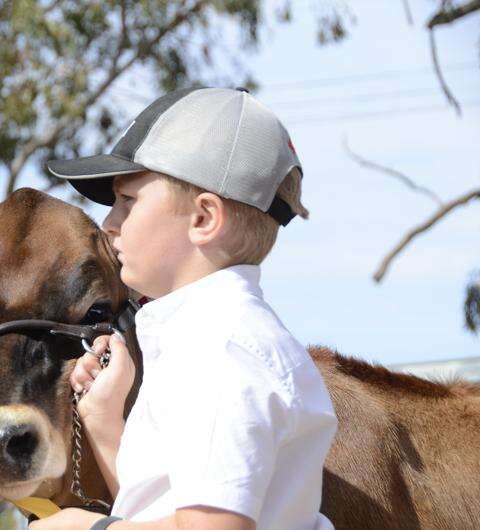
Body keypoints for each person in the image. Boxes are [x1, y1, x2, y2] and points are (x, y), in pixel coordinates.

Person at [29, 87, 338, 530]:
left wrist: (88, 529)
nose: (109, 224)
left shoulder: (221, 350)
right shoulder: (213, 340)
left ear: (204, 219)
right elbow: (168, 510)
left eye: (127, 201)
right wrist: (103, 421)